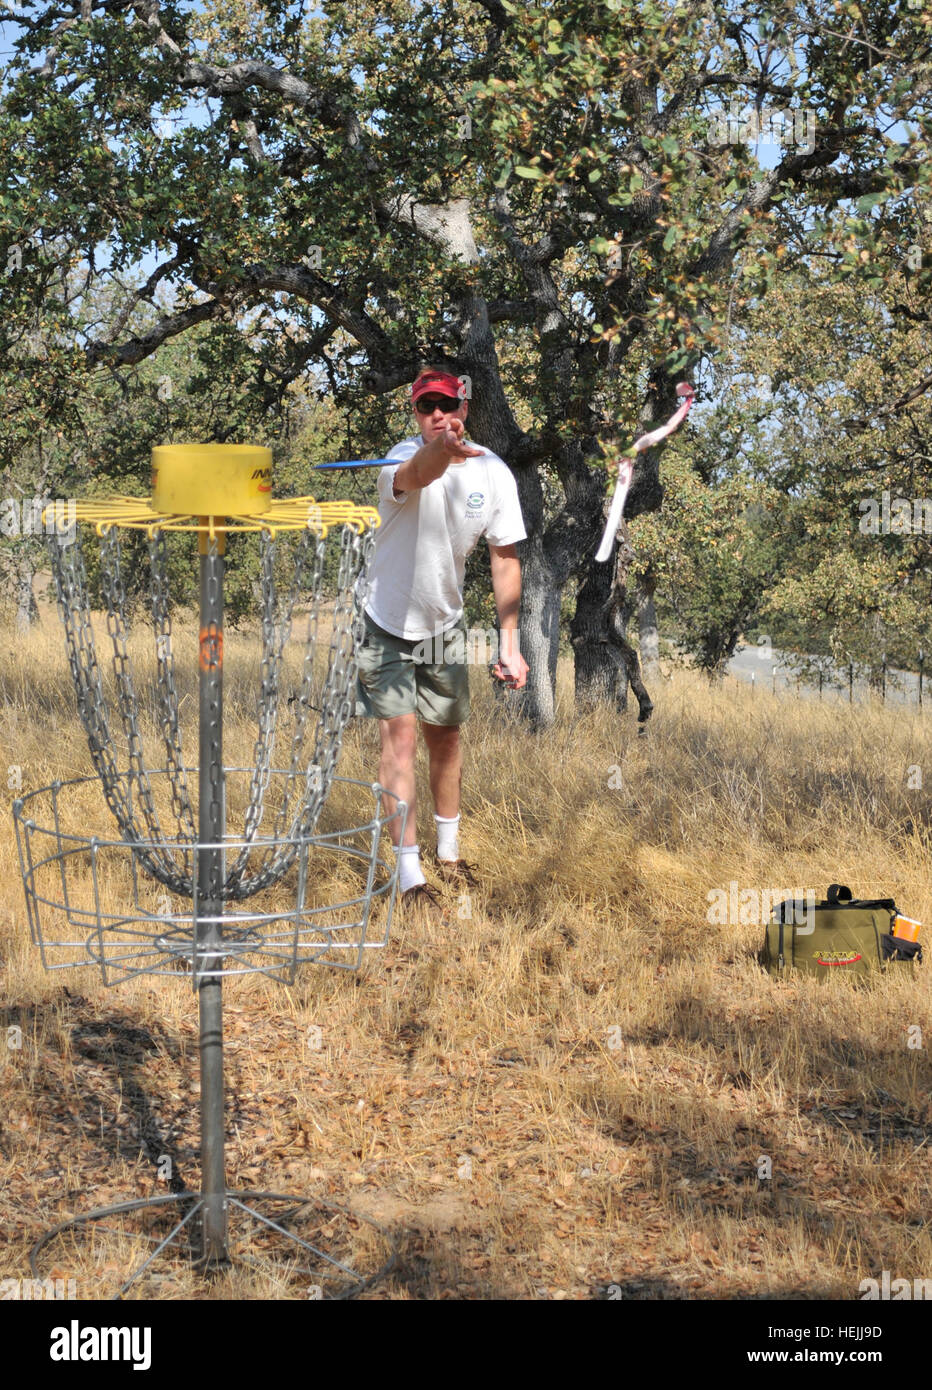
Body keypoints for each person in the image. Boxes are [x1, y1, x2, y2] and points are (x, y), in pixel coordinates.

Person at [355, 366, 529, 919]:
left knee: (447, 739)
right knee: (399, 740)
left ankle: (449, 856)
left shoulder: (495, 474)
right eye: (426, 407)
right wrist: (444, 447)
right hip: (384, 621)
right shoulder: (398, 457)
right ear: (415, 412)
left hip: (444, 624)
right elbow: (420, 474)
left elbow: (505, 558)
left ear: (464, 405)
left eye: (446, 405)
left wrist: (510, 643)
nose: (436, 415)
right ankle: (410, 877)